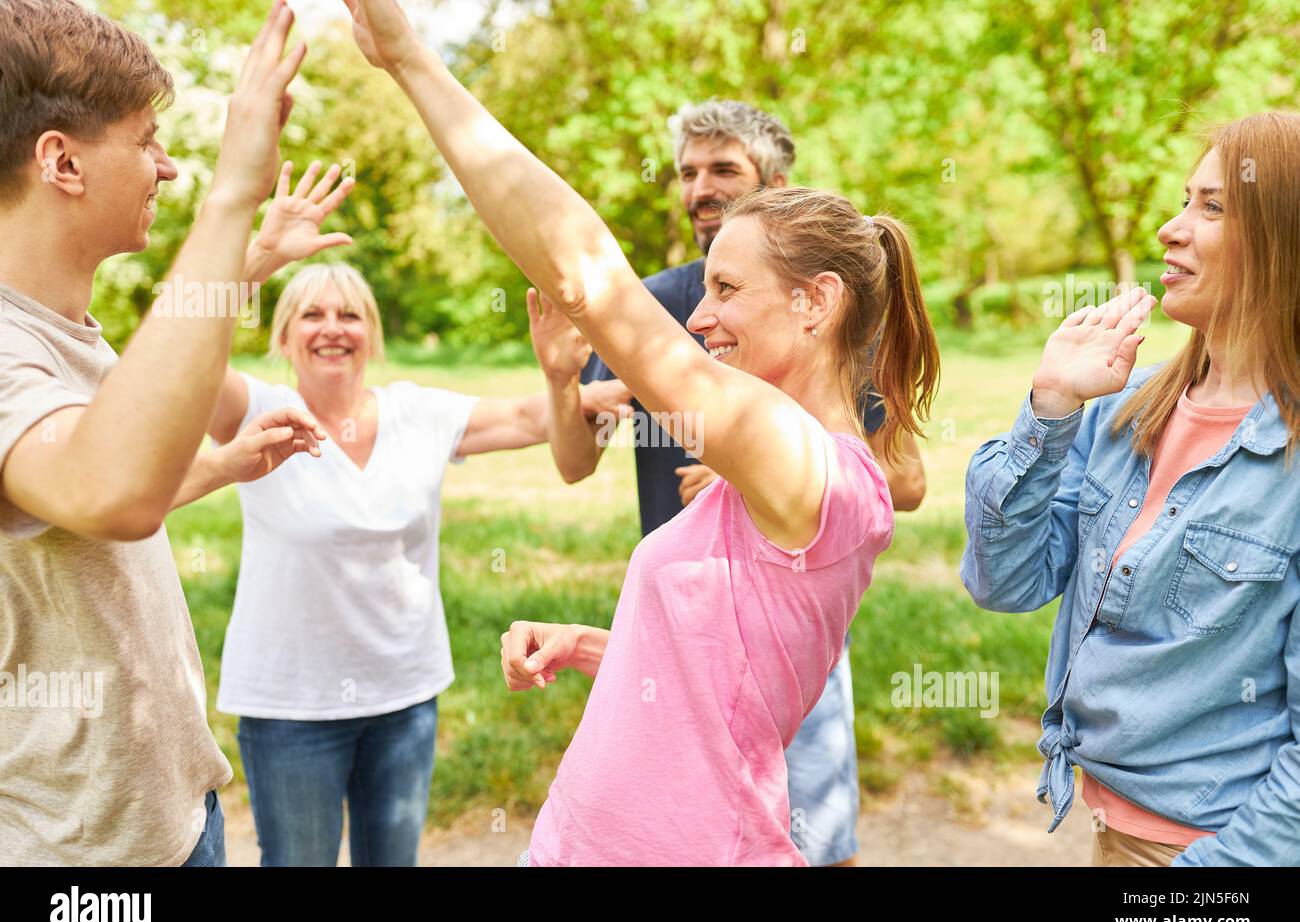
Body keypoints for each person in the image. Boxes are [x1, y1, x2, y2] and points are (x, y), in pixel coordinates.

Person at [343, 0, 940, 866]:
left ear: (817, 301)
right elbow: (721, 671)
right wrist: (589, 645)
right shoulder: (780, 470)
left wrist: (412, 61)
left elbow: (585, 274)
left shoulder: (818, 470)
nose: (700, 314)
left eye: (728, 291)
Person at [538, 98, 928, 867]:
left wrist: (756, 465)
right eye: (688, 172)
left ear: (771, 183)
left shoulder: (827, 325)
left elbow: (901, 483)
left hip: (781, 630)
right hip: (678, 634)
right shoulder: (660, 302)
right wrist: (561, 384)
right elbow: (576, 460)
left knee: (820, 839)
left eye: (724, 169)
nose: (700, 187)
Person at [206, 169, 631, 865]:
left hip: (404, 696)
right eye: (312, 314)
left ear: (371, 335)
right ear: (284, 335)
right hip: (292, 707)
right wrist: (258, 260)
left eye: (349, 316)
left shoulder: (416, 414)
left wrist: (599, 381)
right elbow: (181, 357)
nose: (332, 328)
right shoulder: (251, 410)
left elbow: (535, 417)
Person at [0, 0, 325, 865]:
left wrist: (219, 465)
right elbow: (109, 490)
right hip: (77, 859)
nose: (169, 167)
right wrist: (232, 194)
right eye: (146, 140)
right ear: (61, 161)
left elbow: (67, 510)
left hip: (174, 819)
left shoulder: (62, 331)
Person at [961, 113, 1300, 866]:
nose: (1170, 230)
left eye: (1212, 207)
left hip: (1221, 851)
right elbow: (1004, 583)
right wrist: (1051, 407)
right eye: (1184, 201)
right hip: (1116, 830)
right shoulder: (1124, 409)